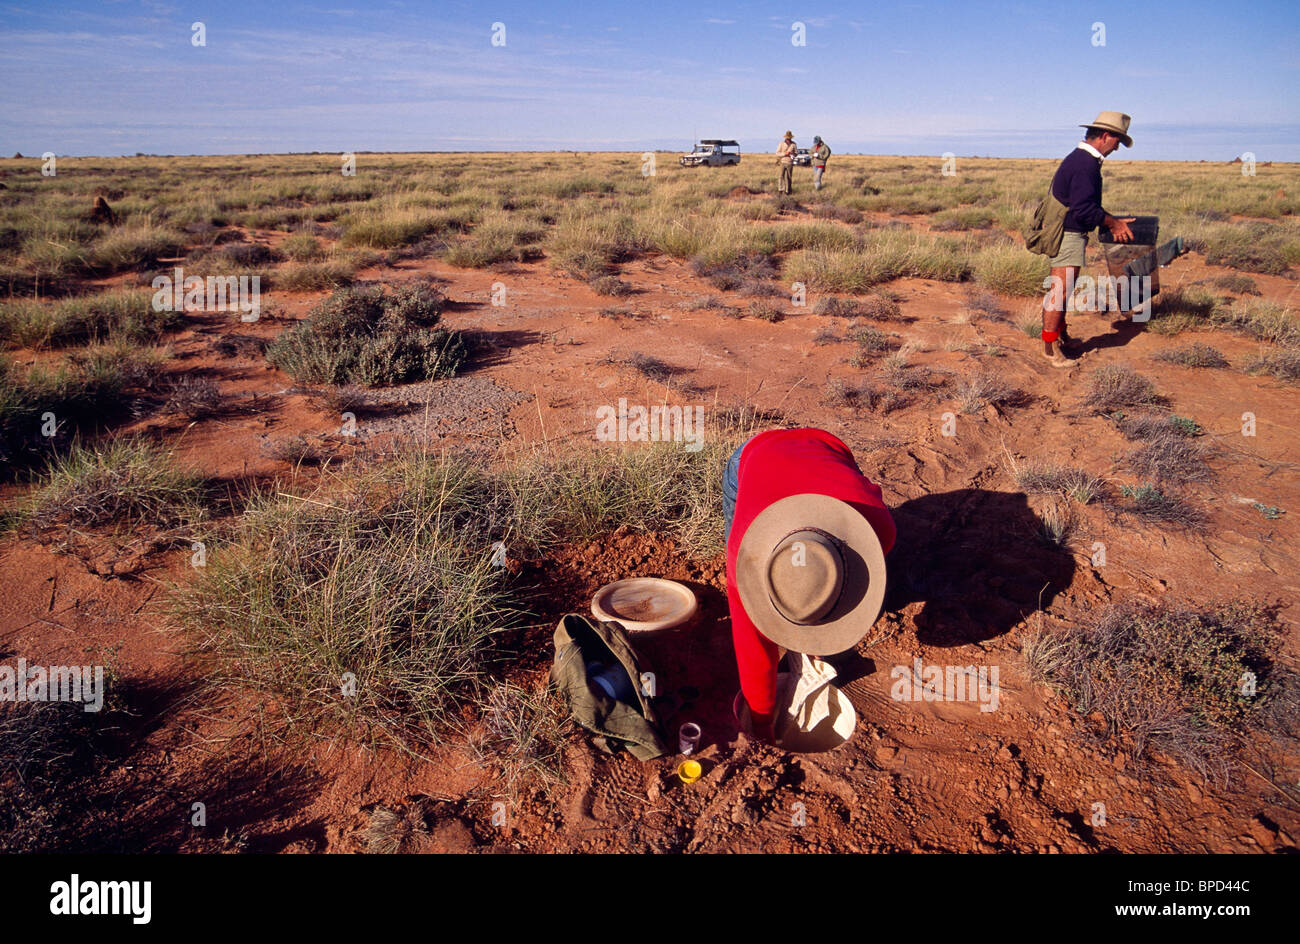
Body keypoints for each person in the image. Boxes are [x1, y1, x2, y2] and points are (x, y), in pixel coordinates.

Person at [722, 428, 896, 742]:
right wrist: (762, 724)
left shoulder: (879, 529)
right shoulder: (742, 560)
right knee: (736, 547)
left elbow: (870, 494)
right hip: (752, 456)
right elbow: (752, 651)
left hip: (826, 447)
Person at [1041, 111, 1137, 367]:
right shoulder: (1085, 164)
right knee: (1059, 291)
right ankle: (1050, 350)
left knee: (1062, 289)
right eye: (1118, 141)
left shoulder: (1081, 160)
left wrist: (1111, 219)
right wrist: (1113, 223)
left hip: (1069, 233)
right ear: (1106, 136)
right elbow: (1083, 208)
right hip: (1068, 235)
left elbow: (1081, 205)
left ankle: (1060, 337)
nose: (1117, 148)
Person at [776, 131, 797, 195]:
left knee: (789, 177)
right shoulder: (781, 144)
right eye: (787, 138)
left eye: (789, 138)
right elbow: (777, 153)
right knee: (781, 176)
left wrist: (792, 154)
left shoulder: (794, 144)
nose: (788, 139)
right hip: (782, 162)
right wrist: (785, 154)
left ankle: (788, 190)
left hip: (790, 162)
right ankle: (780, 190)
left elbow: (796, 153)